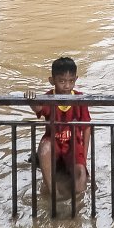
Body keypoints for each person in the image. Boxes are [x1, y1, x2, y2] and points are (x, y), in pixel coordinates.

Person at [26, 57, 90, 199]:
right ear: (52, 81)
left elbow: (86, 128)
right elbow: (38, 108)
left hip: (73, 144)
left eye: (71, 81)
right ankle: (53, 192)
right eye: (62, 81)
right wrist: (31, 101)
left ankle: (78, 202)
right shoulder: (49, 97)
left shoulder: (80, 99)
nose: (67, 86)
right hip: (53, 143)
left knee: (80, 175)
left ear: (76, 79)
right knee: (44, 147)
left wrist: (84, 156)